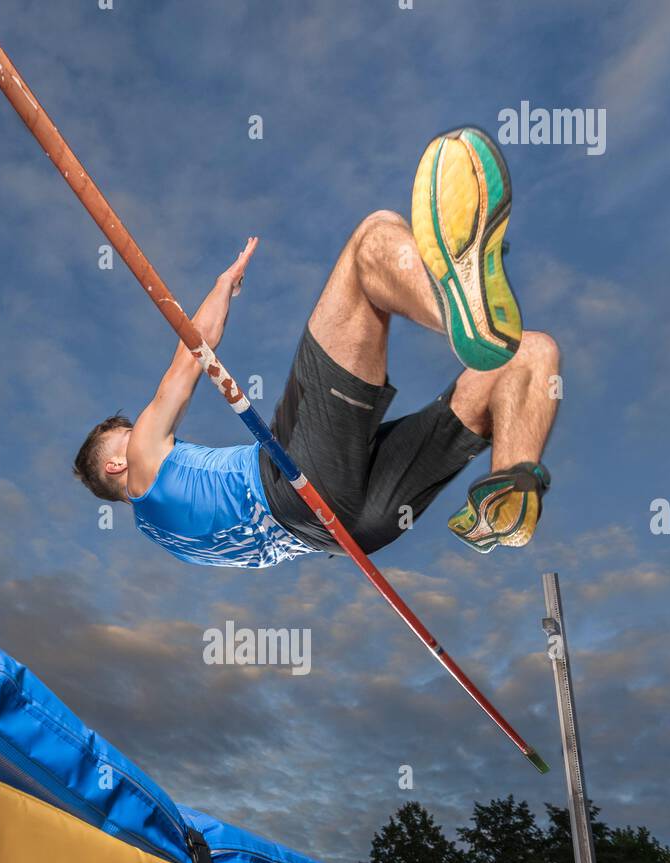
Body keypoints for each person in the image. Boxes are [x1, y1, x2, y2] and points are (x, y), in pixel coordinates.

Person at [73, 127, 557, 566]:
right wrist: (223, 285)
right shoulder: (143, 465)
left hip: (347, 530)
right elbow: (191, 356)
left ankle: (510, 494)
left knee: (528, 355)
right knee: (371, 244)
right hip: (291, 484)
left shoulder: (169, 541)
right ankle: (457, 306)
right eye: (130, 435)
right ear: (119, 463)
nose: (143, 431)